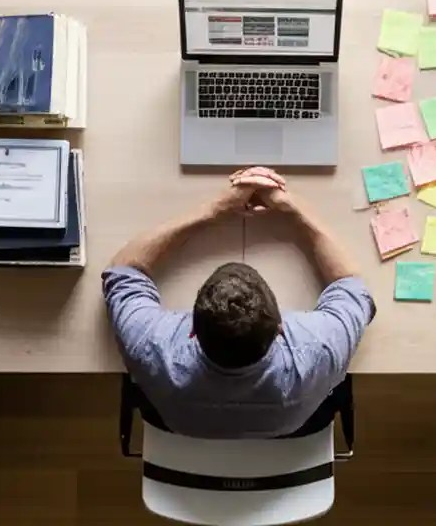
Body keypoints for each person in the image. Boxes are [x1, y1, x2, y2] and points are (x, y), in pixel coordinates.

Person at [101, 166, 374, 439]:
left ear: (192, 330)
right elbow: (350, 285)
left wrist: (212, 210)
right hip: (290, 426)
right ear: (280, 327)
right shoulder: (319, 350)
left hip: (184, 425)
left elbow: (124, 270)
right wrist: (294, 209)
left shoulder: (154, 349)